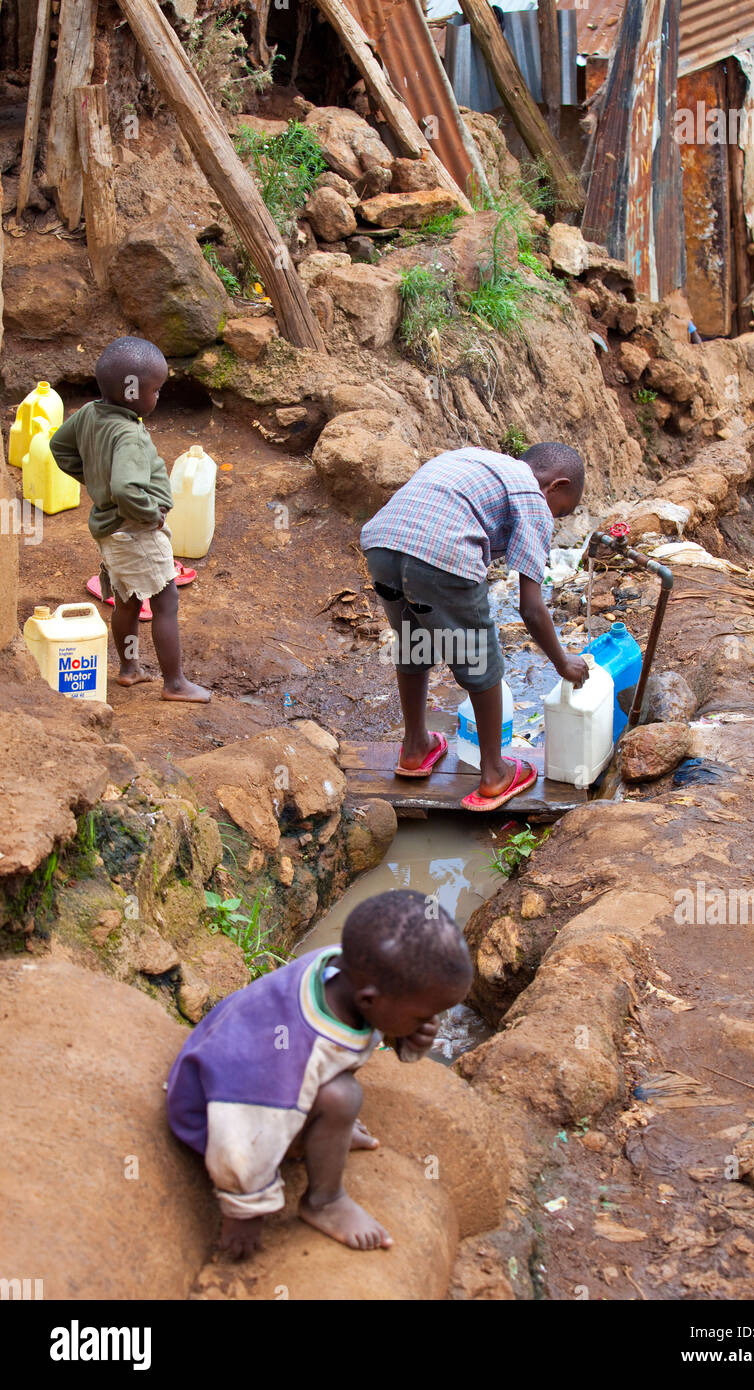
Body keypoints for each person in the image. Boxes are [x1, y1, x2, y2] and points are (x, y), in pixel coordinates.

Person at [166, 890, 473, 1256]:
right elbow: (244, 1136)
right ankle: (324, 1202)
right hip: (216, 1112)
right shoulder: (290, 1060)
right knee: (343, 1098)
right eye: (423, 1017)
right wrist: (244, 1212)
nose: (432, 1023)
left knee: (335, 1097)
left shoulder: (341, 970)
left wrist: (409, 1036)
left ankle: (323, 1131)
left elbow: (378, 1027)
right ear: (370, 1001)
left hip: (244, 1074)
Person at [361, 443, 589, 811]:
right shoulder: (533, 496)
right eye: (560, 511)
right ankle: (495, 772)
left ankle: (415, 748)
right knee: (482, 662)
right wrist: (562, 662)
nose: (554, 518)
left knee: (413, 643)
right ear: (556, 485)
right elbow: (530, 608)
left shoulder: (475, 459)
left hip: (381, 544)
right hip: (442, 553)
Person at [49, 335, 210, 703]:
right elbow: (125, 488)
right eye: (156, 390)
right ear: (135, 394)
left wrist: (92, 480)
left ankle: (129, 668)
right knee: (166, 602)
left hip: (109, 530)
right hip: (136, 531)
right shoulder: (130, 435)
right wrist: (150, 514)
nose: (158, 397)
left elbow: (59, 446)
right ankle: (175, 684)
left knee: (127, 600)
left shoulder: (91, 413)